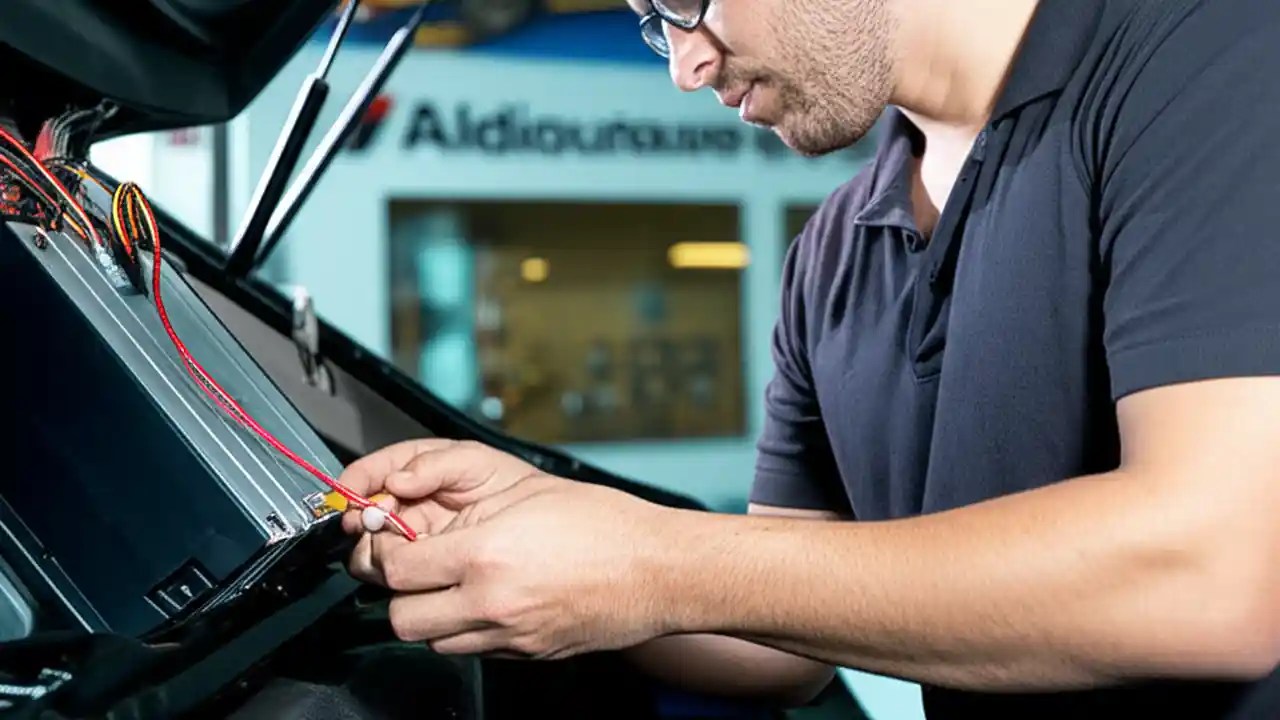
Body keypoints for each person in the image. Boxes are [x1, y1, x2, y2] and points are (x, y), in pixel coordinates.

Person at [339, 0, 1280, 717]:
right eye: (647, 23)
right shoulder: (834, 247)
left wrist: (653, 562)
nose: (684, 64)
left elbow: (1219, 577)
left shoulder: (1210, 54)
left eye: (682, 2)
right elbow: (786, 644)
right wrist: (540, 535)